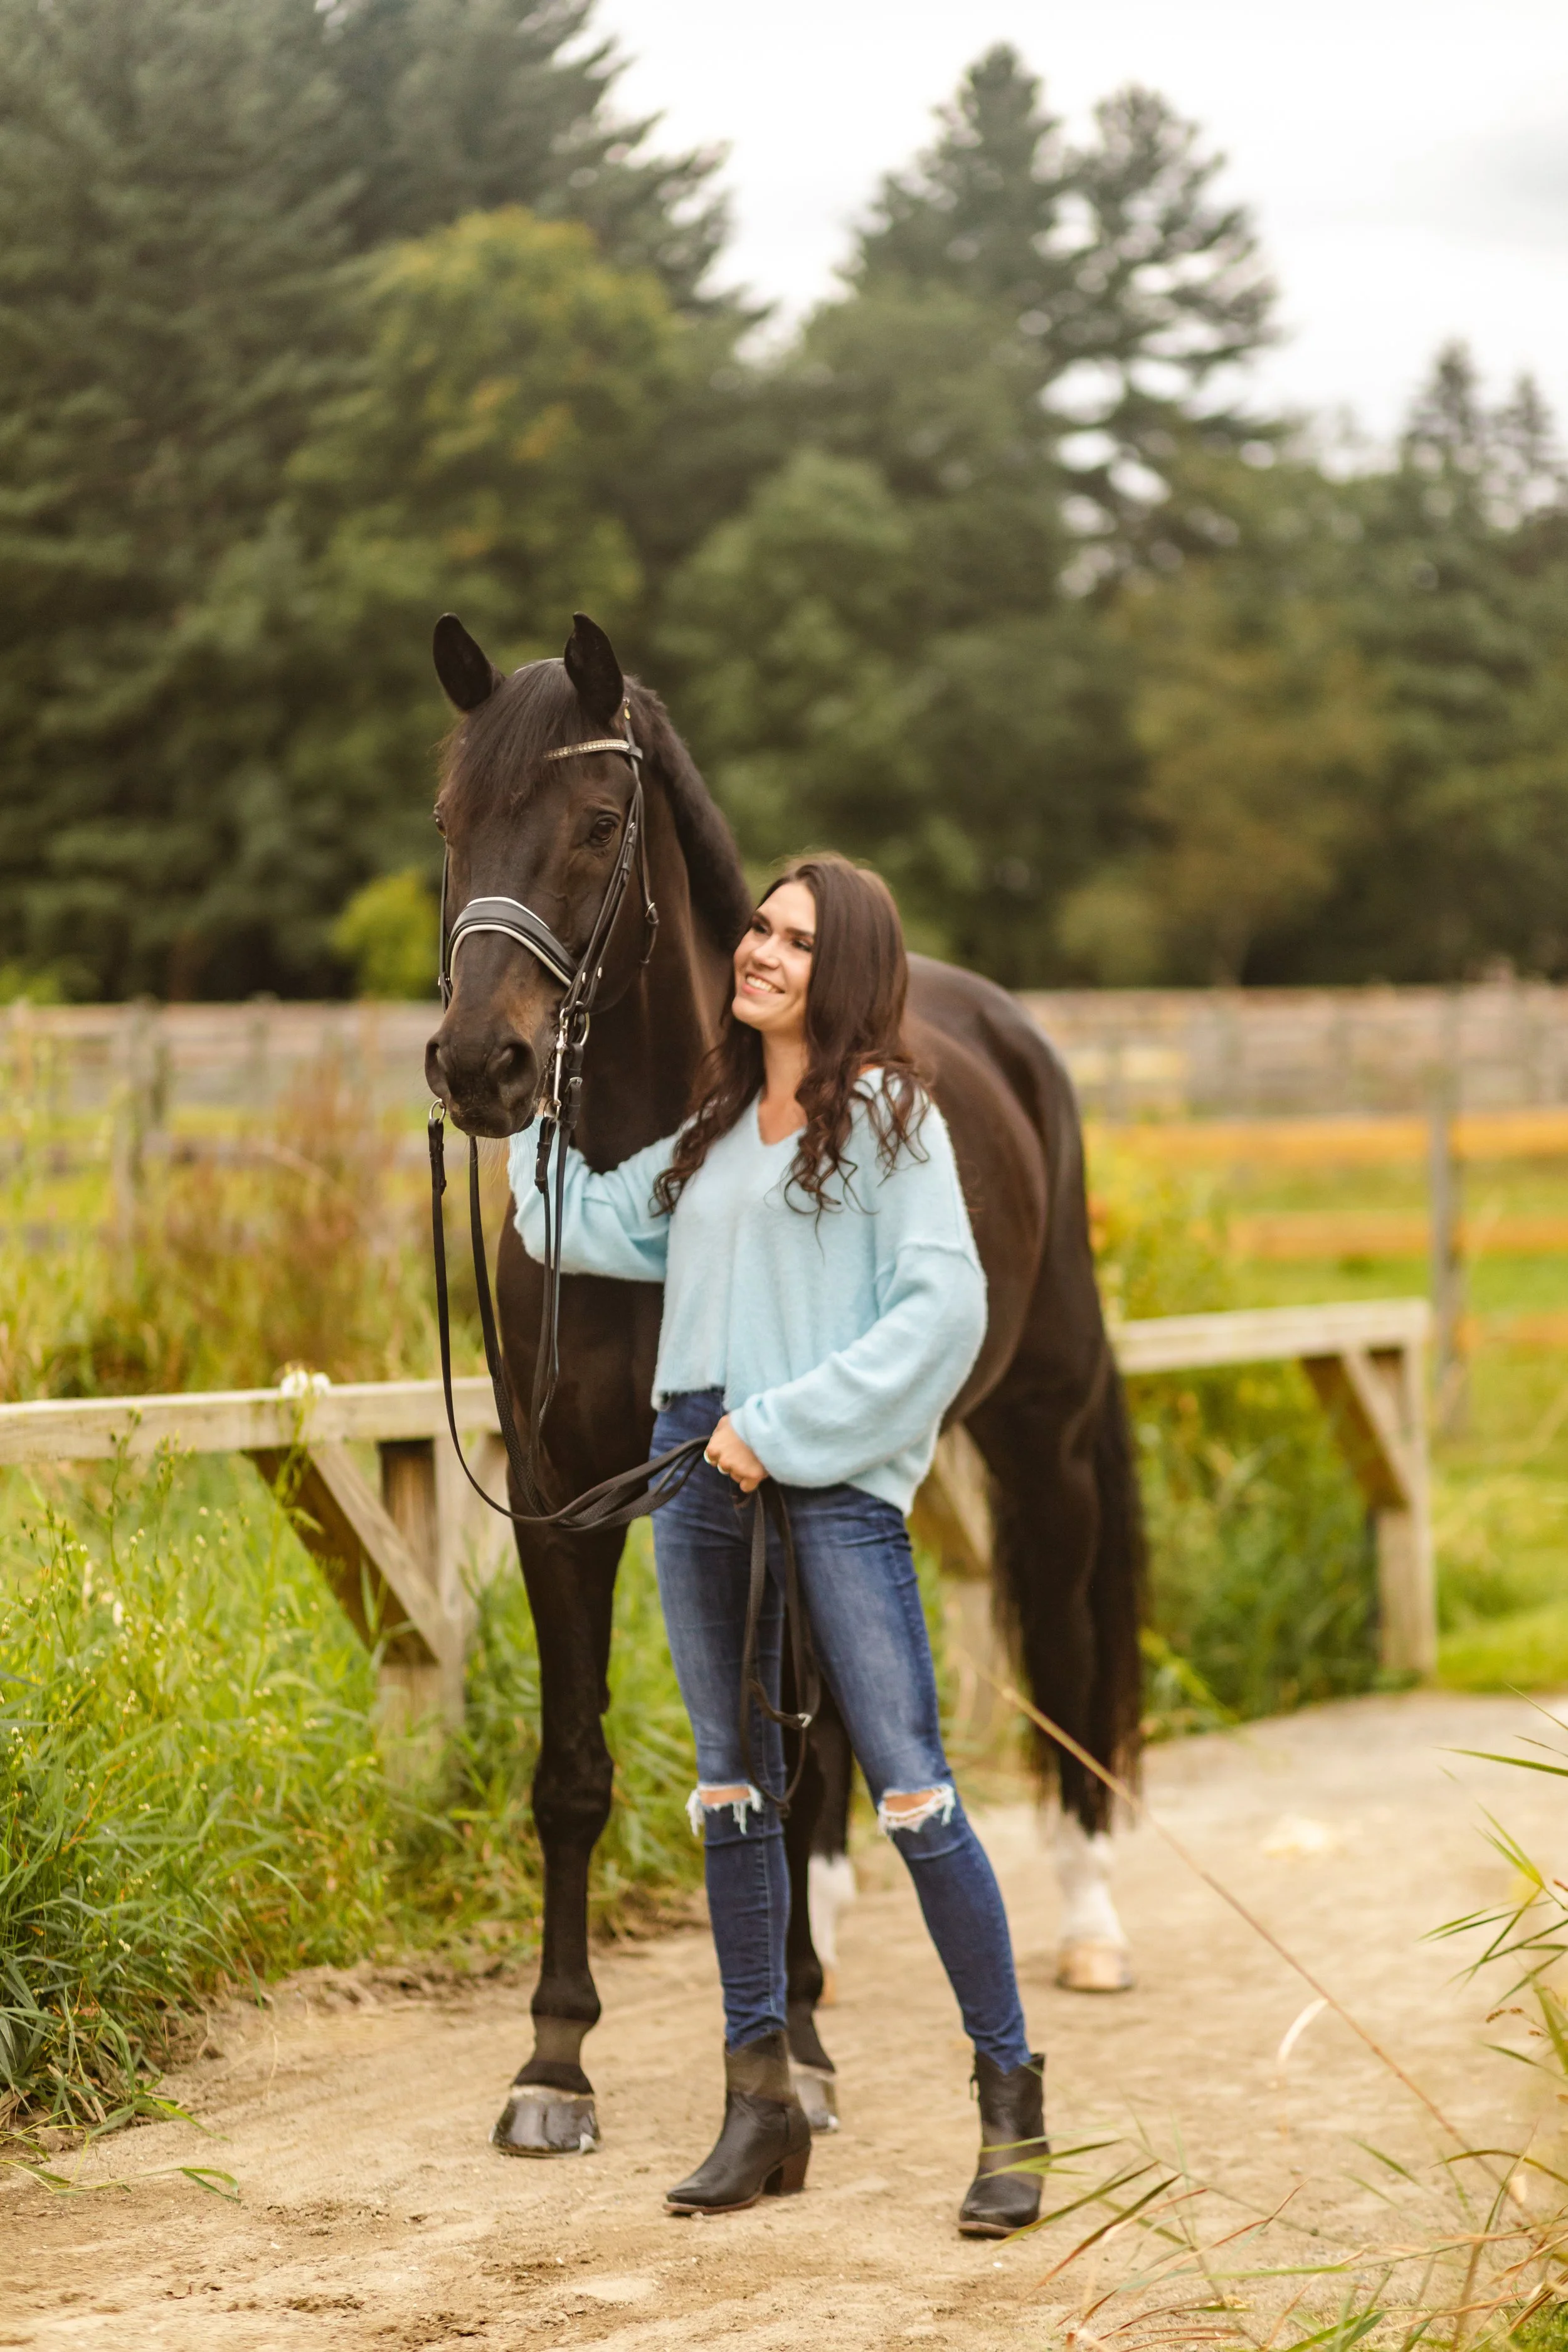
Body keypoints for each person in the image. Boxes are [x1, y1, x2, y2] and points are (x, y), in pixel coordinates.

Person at [507, 853, 1046, 2233]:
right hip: (704, 1468)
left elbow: (943, 1316)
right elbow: (568, 1221)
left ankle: (1010, 2107)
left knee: (913, 1793)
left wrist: (781, 1425)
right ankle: (756, 2101)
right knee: (731, 1794)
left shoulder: (892, 1122)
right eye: (757, 927)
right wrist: (508, 1106)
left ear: (846, 968)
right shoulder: (713, 1127)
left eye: (793, 940)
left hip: (821, 1480)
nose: (757, 951)